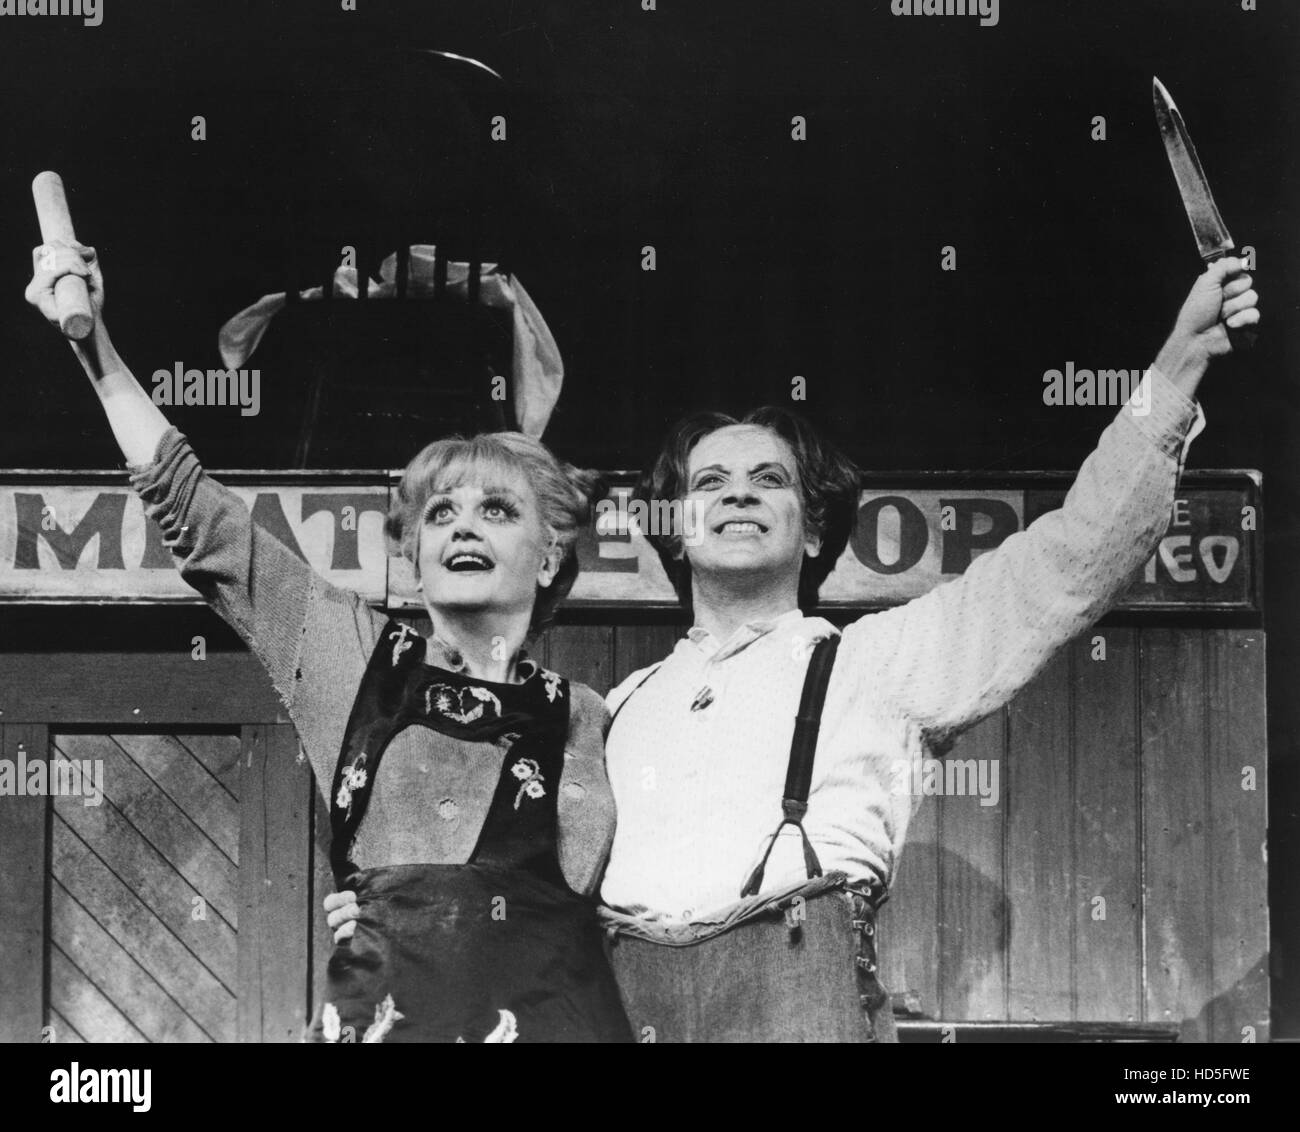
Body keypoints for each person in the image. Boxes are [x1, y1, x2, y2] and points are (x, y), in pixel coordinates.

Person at [320, 258, 1263, 1042]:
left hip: (796, 1001)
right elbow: (516, 875)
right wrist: (391, 912)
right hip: (621, 1009)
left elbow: (1073, 558)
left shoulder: (879, 662)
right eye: (709, 483)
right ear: (676, 529)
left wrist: (1178, 364)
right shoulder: (616, 709)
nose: (736, 494)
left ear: (813, 528)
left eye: (767, 480)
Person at [25, 238, 634, 1044]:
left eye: (497, 509)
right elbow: (194, 510)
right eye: (440, 513)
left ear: (551, 556)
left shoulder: (597, 716)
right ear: (412, 557)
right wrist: (94, 347)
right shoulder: (352, 658)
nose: (463, 527)